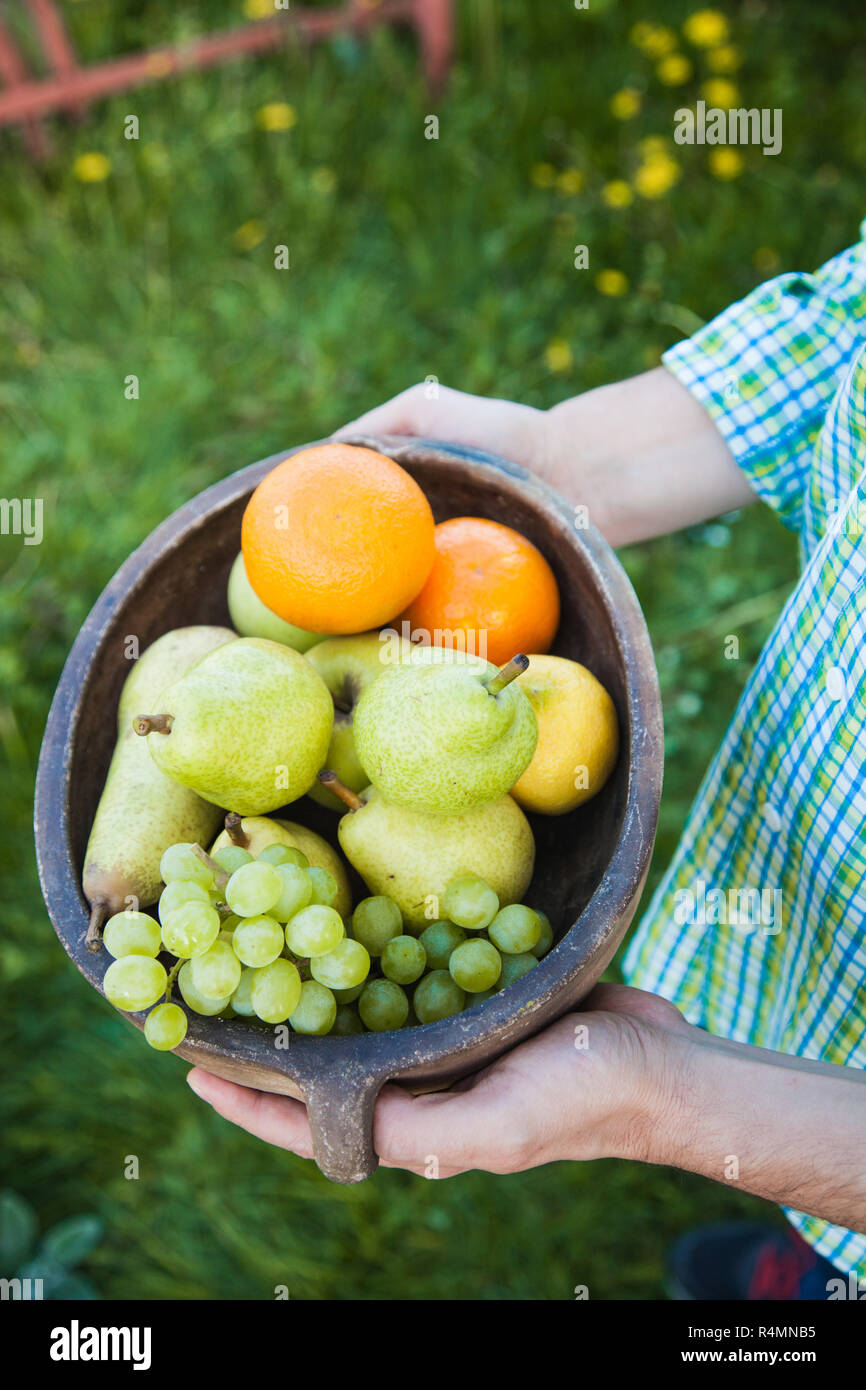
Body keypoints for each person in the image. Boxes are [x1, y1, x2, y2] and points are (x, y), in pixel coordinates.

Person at [187, 226, 866, 1300]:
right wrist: (563, 458)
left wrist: (665, 1102)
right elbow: (848, 326)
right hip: (807, 917)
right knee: (808, 1193)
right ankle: (809, 1240)